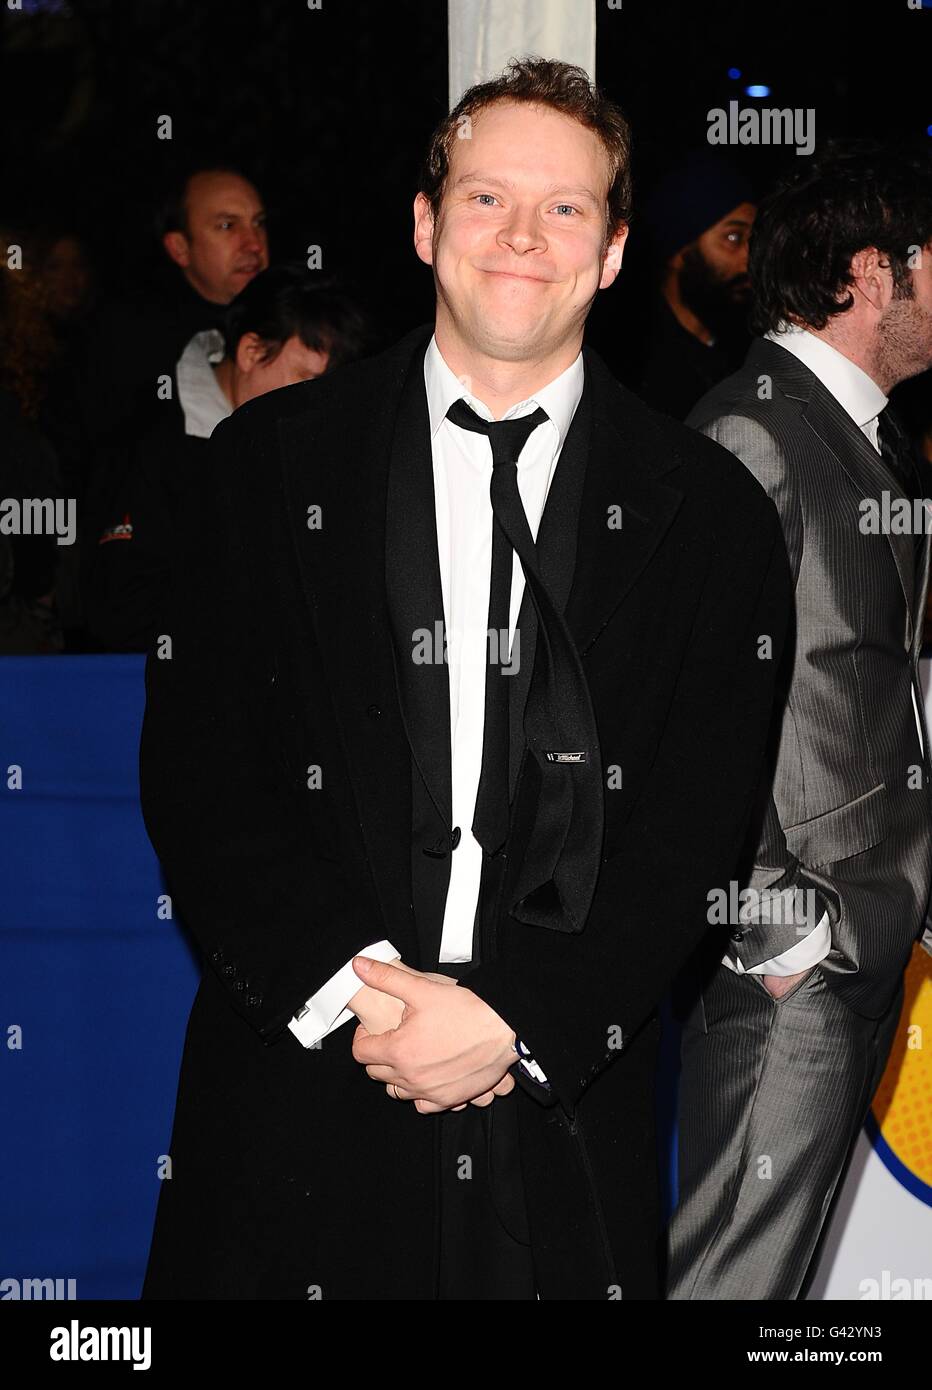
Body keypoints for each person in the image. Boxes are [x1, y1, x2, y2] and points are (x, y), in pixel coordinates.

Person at [138, 57, 791, 1300]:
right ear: (427, 226)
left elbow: (699, 820)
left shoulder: (708, 512)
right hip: (305, 1085)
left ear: (608, 254)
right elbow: (200, 765)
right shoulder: (265, 467)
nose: (522, 238)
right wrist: (359, 993)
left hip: (557, 1113)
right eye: (487, 199)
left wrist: (515, 1015)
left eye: (564, 209)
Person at [668, 143, 932, 1301]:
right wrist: (777, 933)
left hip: (861, 936)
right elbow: (677, 710)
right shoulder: (752, 433)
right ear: (875, 273)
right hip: (797, 960)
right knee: (732, 1277)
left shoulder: (863, 434)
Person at [85, 267, 368, 652]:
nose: (317, 403)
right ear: (251, 352)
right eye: (305, 380)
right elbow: (121, 609)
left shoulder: (322, 447)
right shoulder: (152, 445)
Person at [636, 152, 756, 420]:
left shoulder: (750, 352)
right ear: (680, 251)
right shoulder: (635, 367)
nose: (749, 258)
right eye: (733, 237)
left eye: (753, 240)